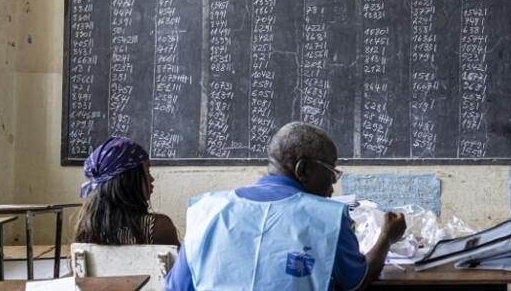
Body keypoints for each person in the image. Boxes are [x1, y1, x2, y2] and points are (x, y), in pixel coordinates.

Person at [165, 122, 406, 291]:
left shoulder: (207, 210)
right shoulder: (328, 218)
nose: (333, 184)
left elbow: (177, 287)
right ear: (303, 169)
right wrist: (387, 236)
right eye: (331, 171)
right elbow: (356, 281)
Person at [75, 136, 179, 245]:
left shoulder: (87, 229)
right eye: (147, 171)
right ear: (128, 179)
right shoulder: (158, 227)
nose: (152, 178)